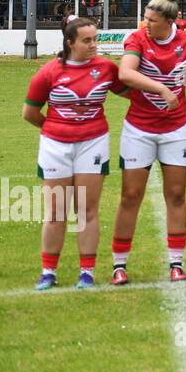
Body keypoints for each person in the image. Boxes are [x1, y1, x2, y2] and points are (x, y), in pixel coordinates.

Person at [25, 17, 127, 290]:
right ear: (70, 43)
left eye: (95, 39)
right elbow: (30, 113)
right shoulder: (48, 72)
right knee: (56, 212)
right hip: (55, 146)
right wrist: (55, 129)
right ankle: (48, 272)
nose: (94, 45)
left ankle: (87, 273)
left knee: (87, 211)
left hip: (93, 144)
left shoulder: (106, 68)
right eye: (87, 40)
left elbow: (131, 91)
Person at [110, 0, 186, 284]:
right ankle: (118, 265)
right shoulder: (137, 38)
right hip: (139, 128)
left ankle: (176, 262)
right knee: (130, 196)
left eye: (151, 20)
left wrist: (180, 84)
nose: (145, 23)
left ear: (169, 22)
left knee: (176, 195)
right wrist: (163, 88)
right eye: (146, 18)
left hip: (177, 129)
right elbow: (125, 73)